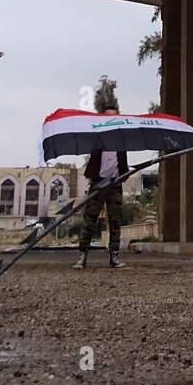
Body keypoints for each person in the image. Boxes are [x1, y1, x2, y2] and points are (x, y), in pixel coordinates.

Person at [75, 104, 128, 271]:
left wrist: (123, 176)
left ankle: (114, 256)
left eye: (114, 117)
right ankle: (82, 256)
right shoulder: (98, 137)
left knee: (115, 221)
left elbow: (123, 163)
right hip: (98, 184)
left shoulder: (121, 140)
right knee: (90, 219)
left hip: (115, 184)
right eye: (108, 117)